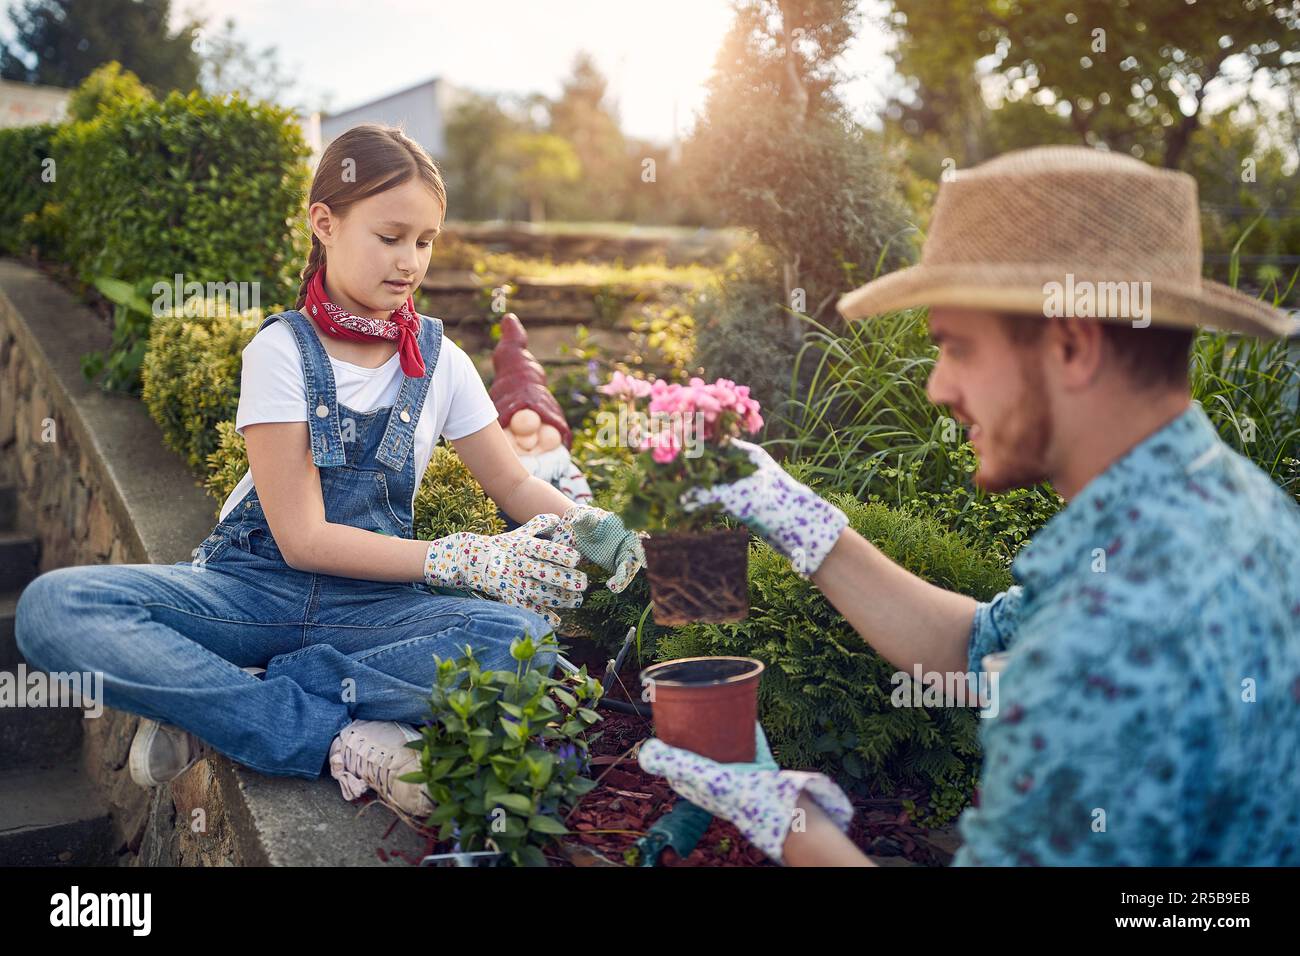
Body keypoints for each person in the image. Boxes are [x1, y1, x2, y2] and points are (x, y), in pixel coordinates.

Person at [637, 145, 1300, 866]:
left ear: (1073, 344)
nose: (937, 388)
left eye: (957, 348)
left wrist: (782, 814)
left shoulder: (1115, 628)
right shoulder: (1224, 500)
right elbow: (979, 647)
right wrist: (795, 515)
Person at [14, 122, 644, 822]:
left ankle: (226, 696)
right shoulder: (282, 351)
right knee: (54, 610)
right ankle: (330, 732)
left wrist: (595, 526)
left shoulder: (442, 362)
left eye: (425, 241)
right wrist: (460, 557)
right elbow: (302, 540)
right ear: (325, 222)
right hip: (249, 591)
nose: (409, 262)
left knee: (518, 648)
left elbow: (515, 484)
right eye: (390, 236)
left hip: (371, 610)